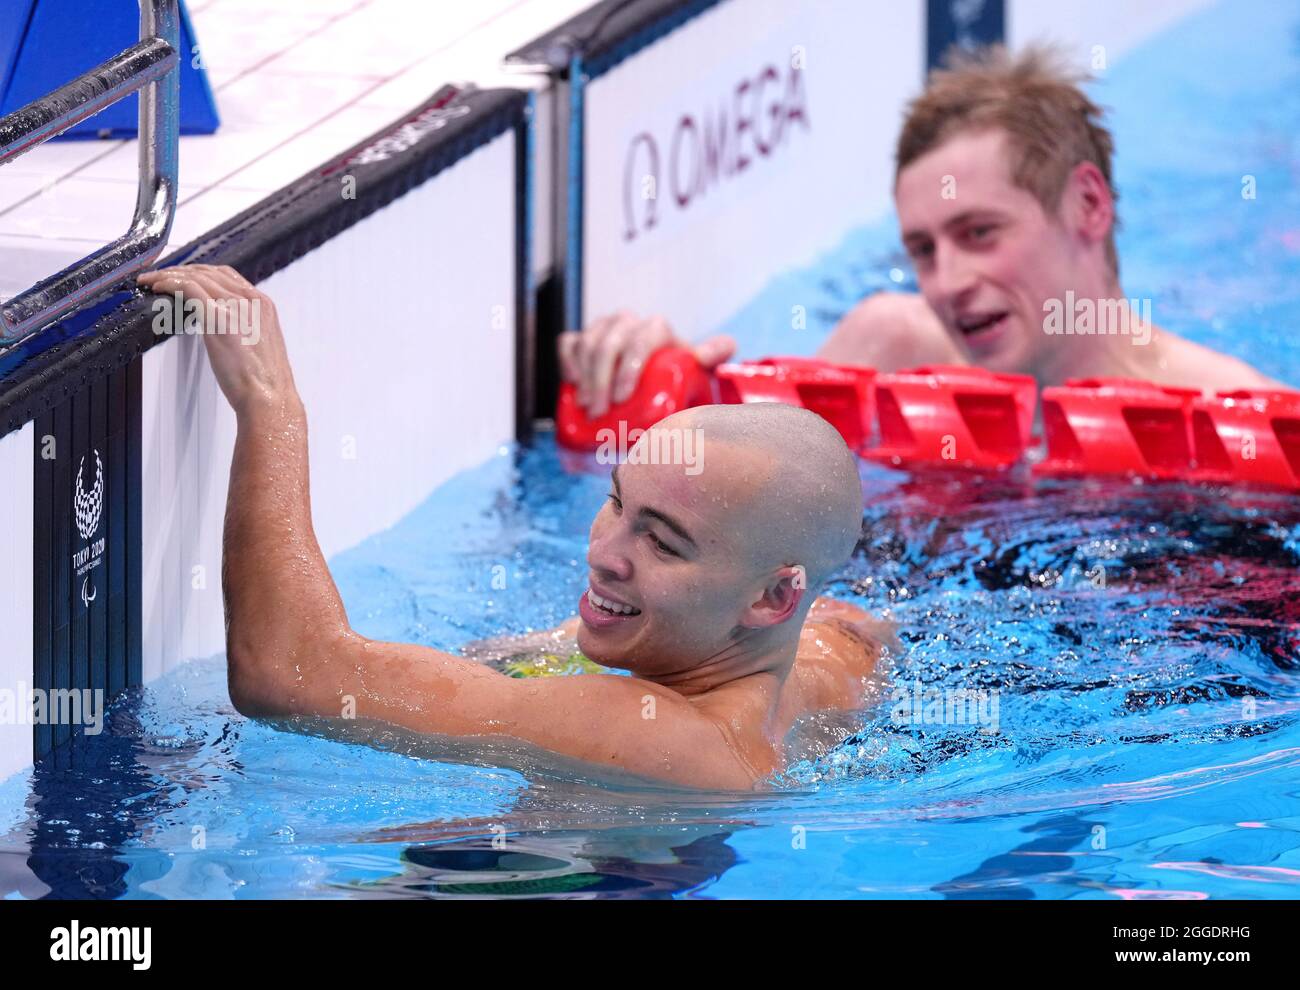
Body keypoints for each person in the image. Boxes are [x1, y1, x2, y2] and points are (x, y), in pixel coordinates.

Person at [136, 264, 893, 791]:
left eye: (661, 541)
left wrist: (271, 405)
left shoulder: (653, 731)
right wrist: (562, 645)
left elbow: (290, 675)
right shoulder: (824, 656)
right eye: (618, 502)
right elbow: (863, 628)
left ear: (770, 600)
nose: (603, 553)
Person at [561, 45, 1284, 419]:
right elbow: (728, 516)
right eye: (922, 250)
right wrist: (659, 382)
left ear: (1087, 206)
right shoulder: (891, 349)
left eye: (979, 233)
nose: (947, 283)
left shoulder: (1235, 410)